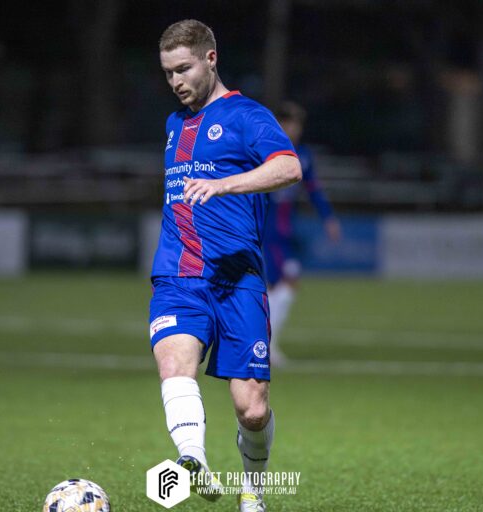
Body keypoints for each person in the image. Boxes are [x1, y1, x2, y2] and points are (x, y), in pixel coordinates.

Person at [149, 19, 302, 512]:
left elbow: (289, 167)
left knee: (251, 410)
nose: (175, 81)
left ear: (210, 59)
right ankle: (192, 459)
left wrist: (224, 184)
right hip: (178, 274)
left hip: (238, 279)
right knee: (174, 364)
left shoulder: (246, 115)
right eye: (168, 72)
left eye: (184, 69)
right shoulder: (174, 125)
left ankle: (252, 489)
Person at [263, 102, 341, 366]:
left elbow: (314, 190)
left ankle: (265, 343)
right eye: (290, 123)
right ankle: (264, 345)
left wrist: (328, 218)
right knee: (279, 285)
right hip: (266, 231)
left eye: (297, 124)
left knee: (285, 285)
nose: (294, 129)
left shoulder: (302, 155)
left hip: (286, 232)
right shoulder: (263, 151)